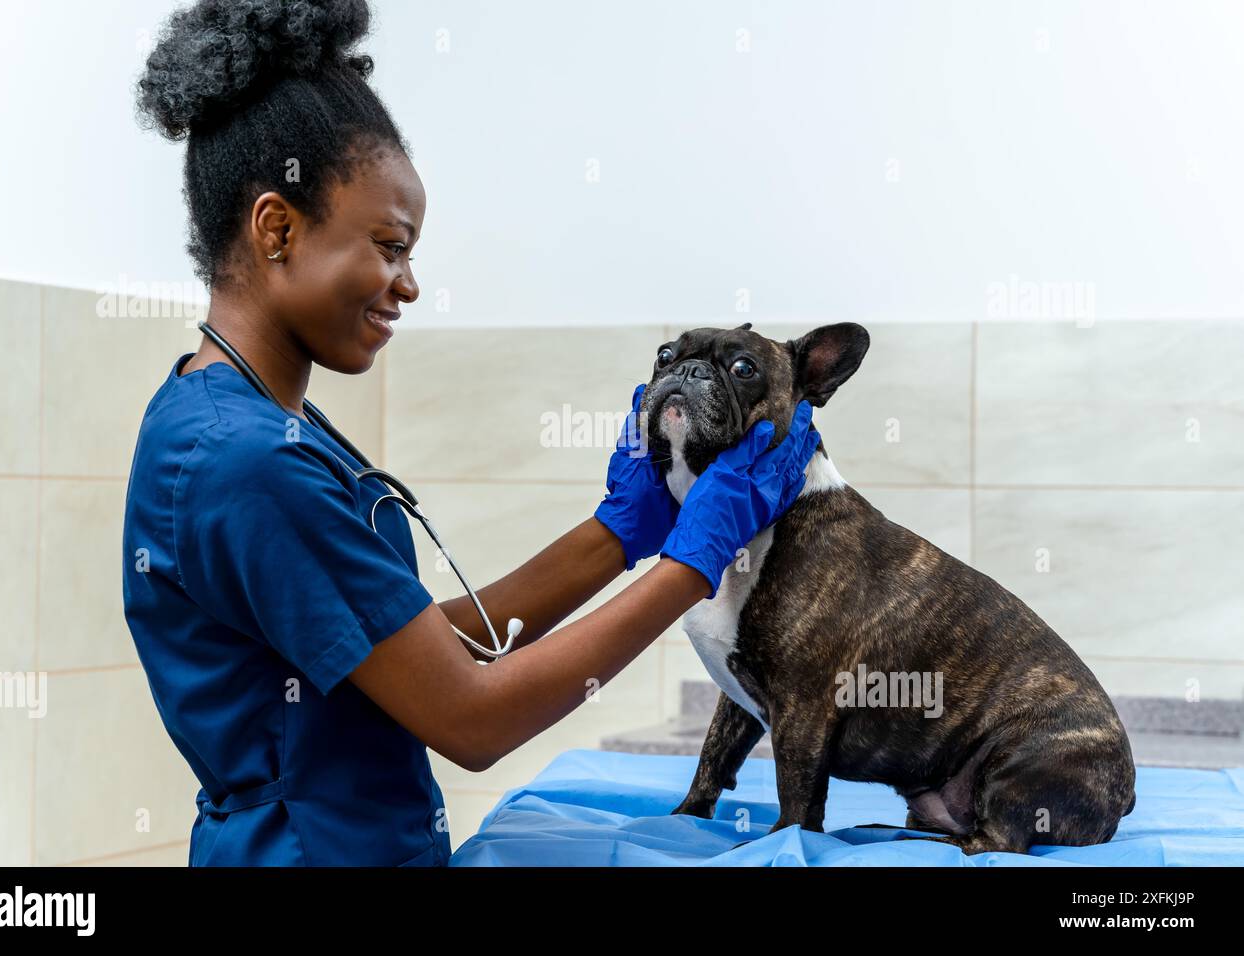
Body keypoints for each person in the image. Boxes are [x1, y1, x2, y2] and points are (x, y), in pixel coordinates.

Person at [123, 0, 818, 866]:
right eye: (388, 245)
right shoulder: (247, 462)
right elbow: (471, 716)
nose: (407, 284)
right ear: (277, 229)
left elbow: (418, 647)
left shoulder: (244, 419)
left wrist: (618, 535)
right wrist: (693, 562)